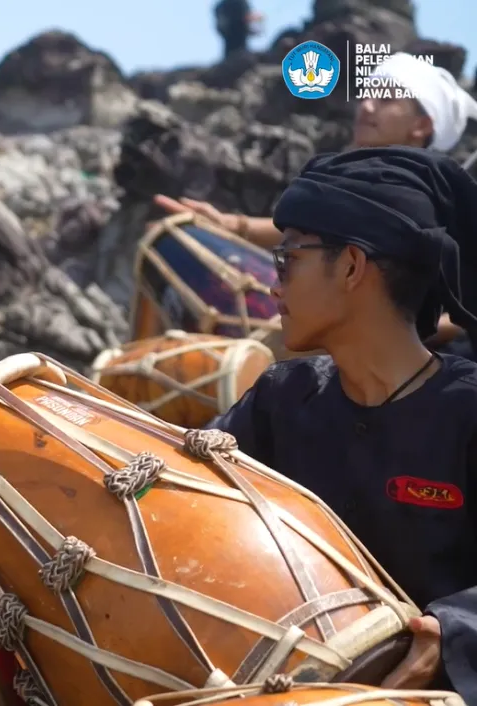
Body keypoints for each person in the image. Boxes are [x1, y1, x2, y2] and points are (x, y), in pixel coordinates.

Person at [206, 146, 477, 700]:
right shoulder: (280, 400)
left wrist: (451, 633)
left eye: (287, 261)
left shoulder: (466, 412)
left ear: (352, 266)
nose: (271, 285)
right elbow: (193, 499)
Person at [156, 52, 477, 351]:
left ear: (422, 125)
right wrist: (228, 226)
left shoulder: (438, 203)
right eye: (365, 96)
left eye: (386, 100)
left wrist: (409, 330)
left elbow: (459, 311)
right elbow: (316, 229)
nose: (366, 107)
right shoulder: (345, 177)